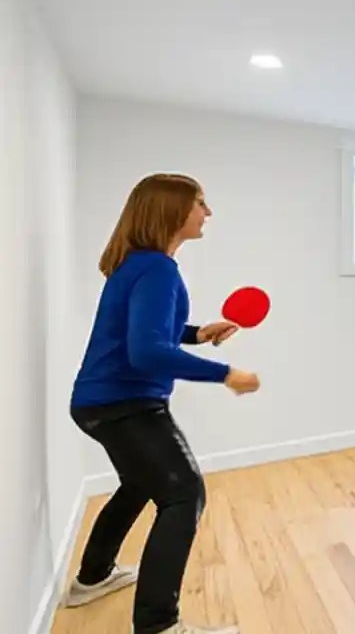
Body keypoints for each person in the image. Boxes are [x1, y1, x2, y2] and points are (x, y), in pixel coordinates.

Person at [62, 173, 259, 634]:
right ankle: (158, 625)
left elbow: (145, 332)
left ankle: (93, 577)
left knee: (137, 484)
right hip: (125, 403)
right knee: (184, 494)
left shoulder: (138, 264)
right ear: (173, 210)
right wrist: (225, 373)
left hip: (99, 402)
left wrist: (196, 333)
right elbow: (146, 352)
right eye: (200, 203)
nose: (207, 212)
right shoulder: (157, 269)